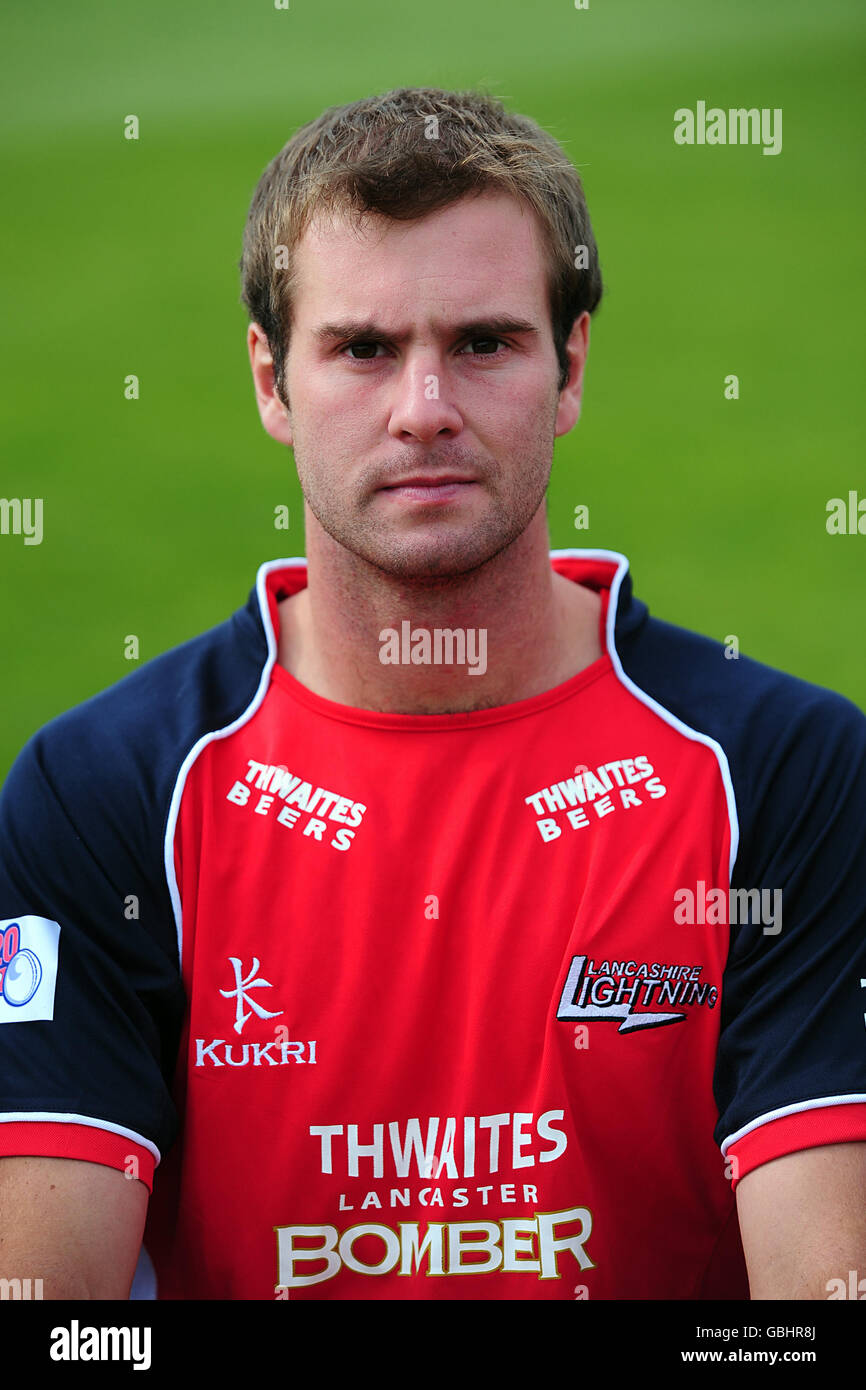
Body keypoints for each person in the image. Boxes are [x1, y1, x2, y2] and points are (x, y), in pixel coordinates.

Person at [0, 86, 864, 1301]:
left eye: (483, 343)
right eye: (361, 348)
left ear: (567, 369)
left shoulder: (784, 771)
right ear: (270, 381)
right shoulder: (104, 791)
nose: (424, 410)